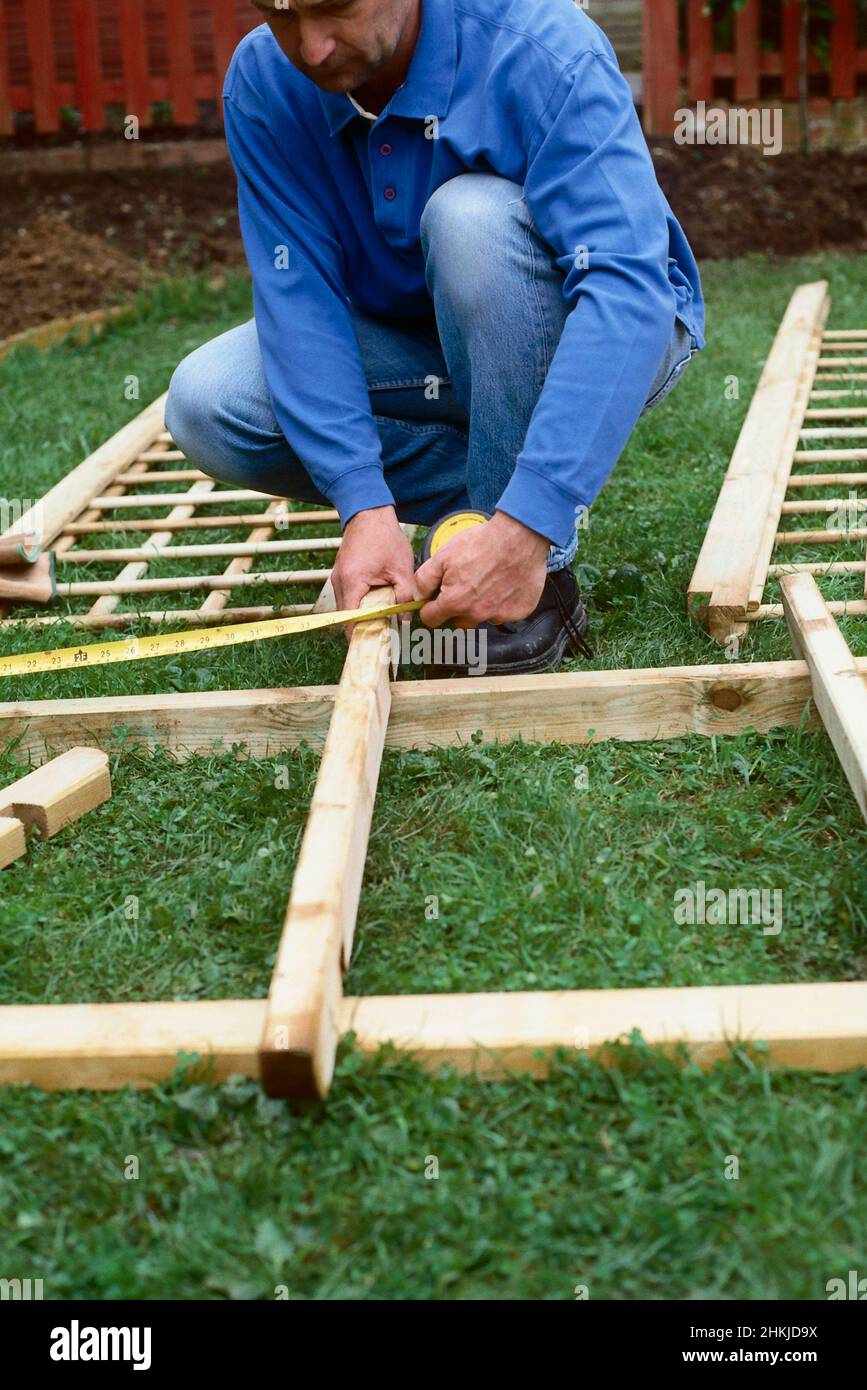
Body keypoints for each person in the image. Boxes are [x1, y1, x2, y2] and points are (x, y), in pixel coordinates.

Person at [166, 0, 704, 674]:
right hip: (419, 343)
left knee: (469, 221)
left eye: (333, 7)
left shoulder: (539, 45)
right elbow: (299, 298)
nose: (312, 49)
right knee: (207, 401)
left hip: (603, 328)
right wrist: (363, 504)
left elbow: (625, 290)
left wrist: (531, 524)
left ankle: (531, 563)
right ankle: (493, 491)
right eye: (280, 15)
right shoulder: (267, 79)